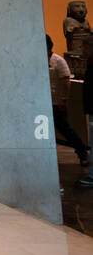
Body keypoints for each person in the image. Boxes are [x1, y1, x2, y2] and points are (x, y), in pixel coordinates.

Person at [48, 34, 90, 168]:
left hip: (56, 102)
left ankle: (82, 152)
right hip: (44, 102)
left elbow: (66, 81)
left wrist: (63, 100)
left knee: (65, 129)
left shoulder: (58, 61)